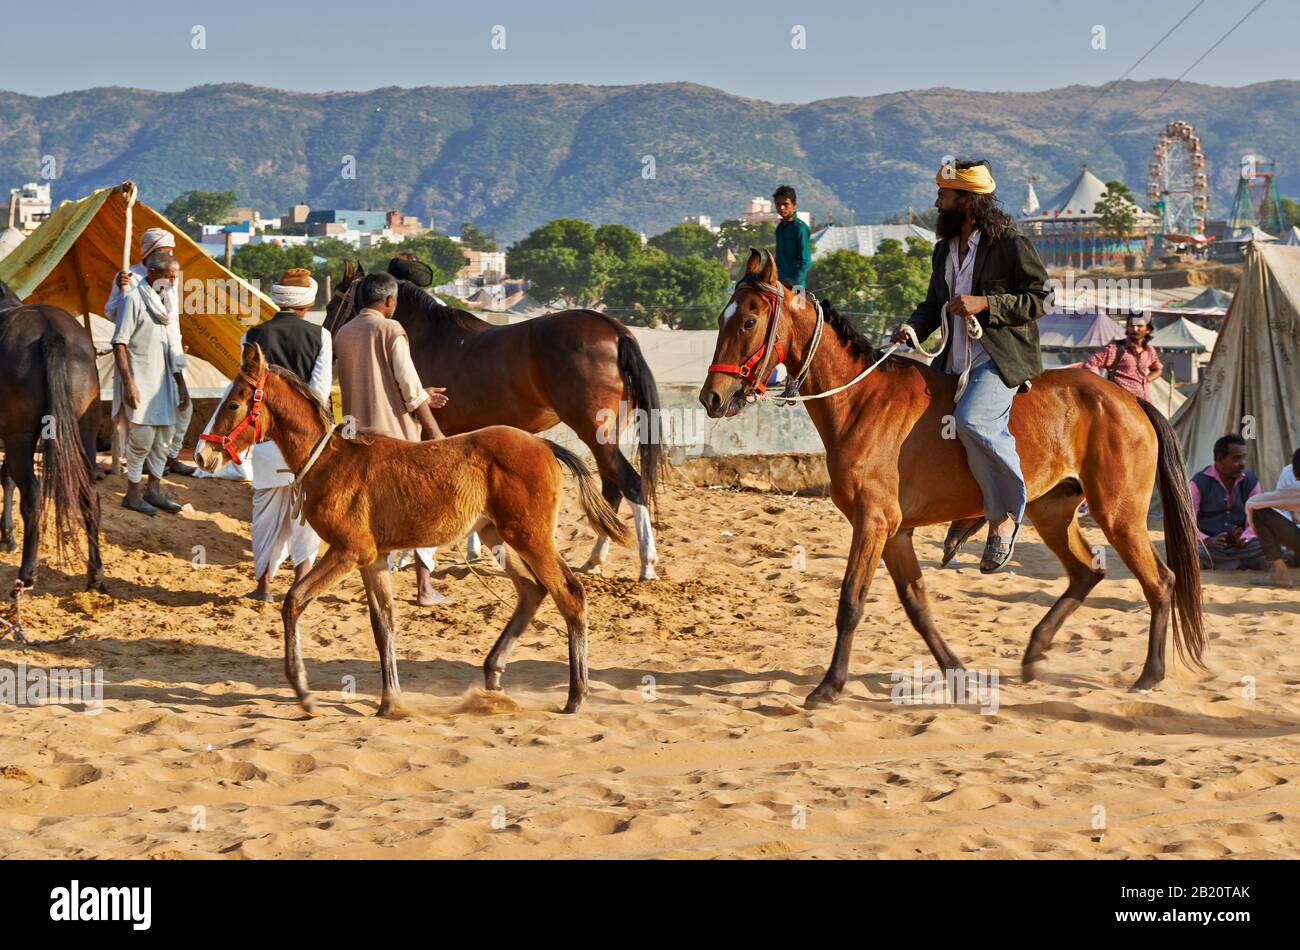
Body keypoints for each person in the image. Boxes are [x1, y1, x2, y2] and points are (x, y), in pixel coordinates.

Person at [892, 159, 1050, 572]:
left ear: (969, 200)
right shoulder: (943, 248)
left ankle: (1004, 518)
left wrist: (987, 304)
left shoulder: (1010, 242)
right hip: (951, 357)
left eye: (945, 196)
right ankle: (967, 507)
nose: (938, 202)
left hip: (998, 357)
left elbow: (1042, 298)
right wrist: (912, 327)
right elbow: (932, 305)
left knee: (973, 421)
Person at [333, 271, 451, 606]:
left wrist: (421, 394)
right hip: (397, 442)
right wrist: (435, 433)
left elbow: (371, 380)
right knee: (424, 509)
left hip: (358, 443)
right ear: (389, 301)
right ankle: (425, 588)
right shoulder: (391, 329)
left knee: (375, 518)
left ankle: (379, 590)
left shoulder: (343, 333)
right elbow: (409, 391)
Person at [241, 268, 332, 602]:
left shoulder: (252, 336)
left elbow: (248, 391)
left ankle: (263, 586)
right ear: (306, 303)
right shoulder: (320, 336)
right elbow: (318, 394)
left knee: (265, 516)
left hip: (265, 442)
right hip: (306, 446)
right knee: (304, 517)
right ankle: (301, 585)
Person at [106, 227, 195, 476]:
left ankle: (170, 456)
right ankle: (142, 470)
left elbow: (171, 318)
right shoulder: (128, 278)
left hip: (170, 354)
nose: (168, 253)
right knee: (141, 418)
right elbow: (114, 315)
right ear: (150, 253)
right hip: (141, 360)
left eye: (170, 250)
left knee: (182, 408)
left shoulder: (170, 276)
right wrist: (119, 287)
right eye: (164, 250)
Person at [111, 249, 186, 515]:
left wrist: (181, 382)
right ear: (152, 273)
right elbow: (119, 343)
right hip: (140, 380)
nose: (173, 282)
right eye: (170, 276)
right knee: (141, 438)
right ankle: (132, 494)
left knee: (163, 438)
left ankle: (154, 490)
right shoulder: (132, 299)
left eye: (176, 276)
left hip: (164, 383)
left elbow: (172, 345)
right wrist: (128, 383)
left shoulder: (166, 303)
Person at [1189, 433, 1266, 571]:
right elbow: (1187, 521)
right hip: (1208, 546)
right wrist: (1207, 541)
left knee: (1271, 543)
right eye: (1236, 458)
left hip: (1241, 547)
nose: (1242, 463)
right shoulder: (1198, 483)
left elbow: (1256, 520)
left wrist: (1245, 537)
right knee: (1187, 549)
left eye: (1243, 458)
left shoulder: (1251, 482)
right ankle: (1243, 562)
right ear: (1219, 459)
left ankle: (1225, 562)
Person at [1245, 447, 1300, 587]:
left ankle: (1281, 574)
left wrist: (1257, 532)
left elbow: (1253, 503)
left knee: (1260, 512)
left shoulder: (1296, 488)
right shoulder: (1291, 479)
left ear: (1295, 473)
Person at [1083, 312, 1164, 401]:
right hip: (1121, 404)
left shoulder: (1149, 350)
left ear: (1148, 329)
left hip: (1144, 402)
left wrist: (1146, 380)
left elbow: (1157, 369)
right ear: (1127, 327)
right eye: (1131, 325)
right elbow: (1090, 364)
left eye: (1139, 326)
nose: (1134, 329)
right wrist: (1101, 386)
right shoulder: (1116, 348)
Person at [773, 185, 810, 289]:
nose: (781, 208)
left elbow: (805, 261)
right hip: (779, 285)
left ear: (794, 205)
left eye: (785, 204)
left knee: (798, 306)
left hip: (796, 286)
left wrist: (793, 282)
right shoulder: (779, 228)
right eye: (778, 204)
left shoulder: (800, 228)